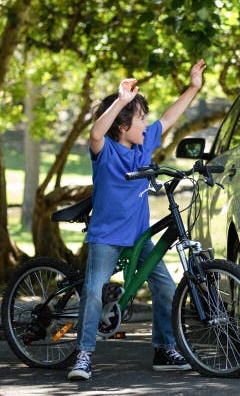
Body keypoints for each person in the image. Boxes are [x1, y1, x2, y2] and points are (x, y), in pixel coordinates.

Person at [67, 60, 207, 381]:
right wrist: (121, 101)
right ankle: (84, 354)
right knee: (93, 291)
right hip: (106, 235)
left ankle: (163, 348)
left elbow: (170, 116)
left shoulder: (143, 147)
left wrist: (194, 87)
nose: (146, 125)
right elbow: (95, 132)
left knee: (166, 287)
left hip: (139, 236)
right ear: (122, 126)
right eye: (140, 119)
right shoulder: (105, 150)